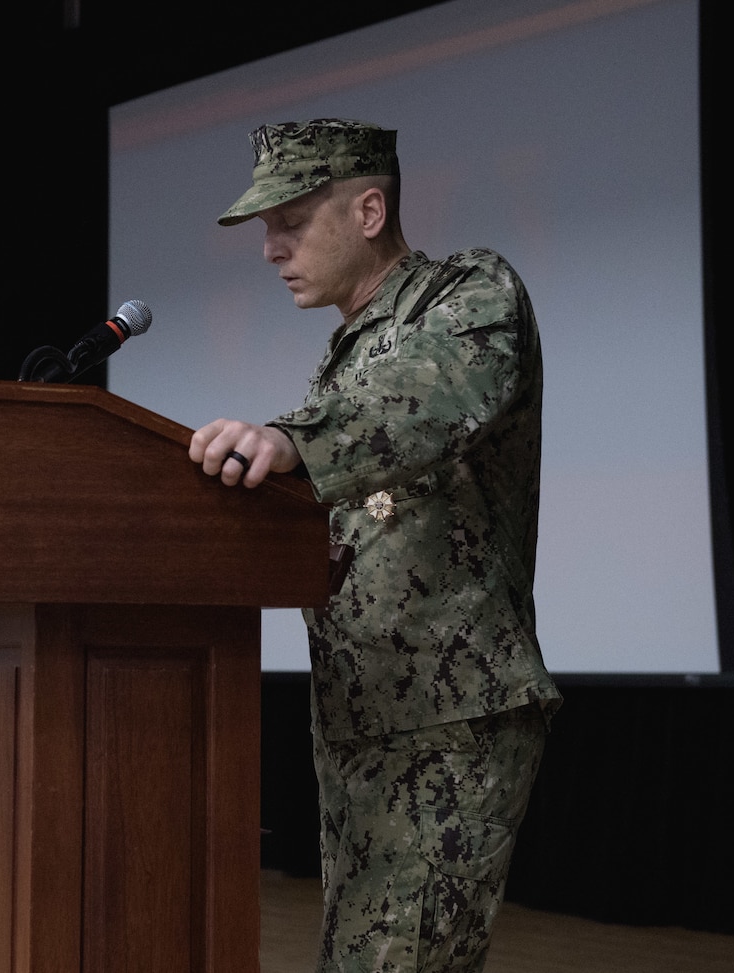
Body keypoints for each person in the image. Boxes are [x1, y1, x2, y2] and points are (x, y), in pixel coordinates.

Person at [188, 119, 563, 972]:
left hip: (449, 716)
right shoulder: (340, 360)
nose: (271, 248)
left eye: (289, 221)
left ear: (367, 209)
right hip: (361, 718)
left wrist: (289, 441)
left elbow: (423, 401)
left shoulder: (467, 295)